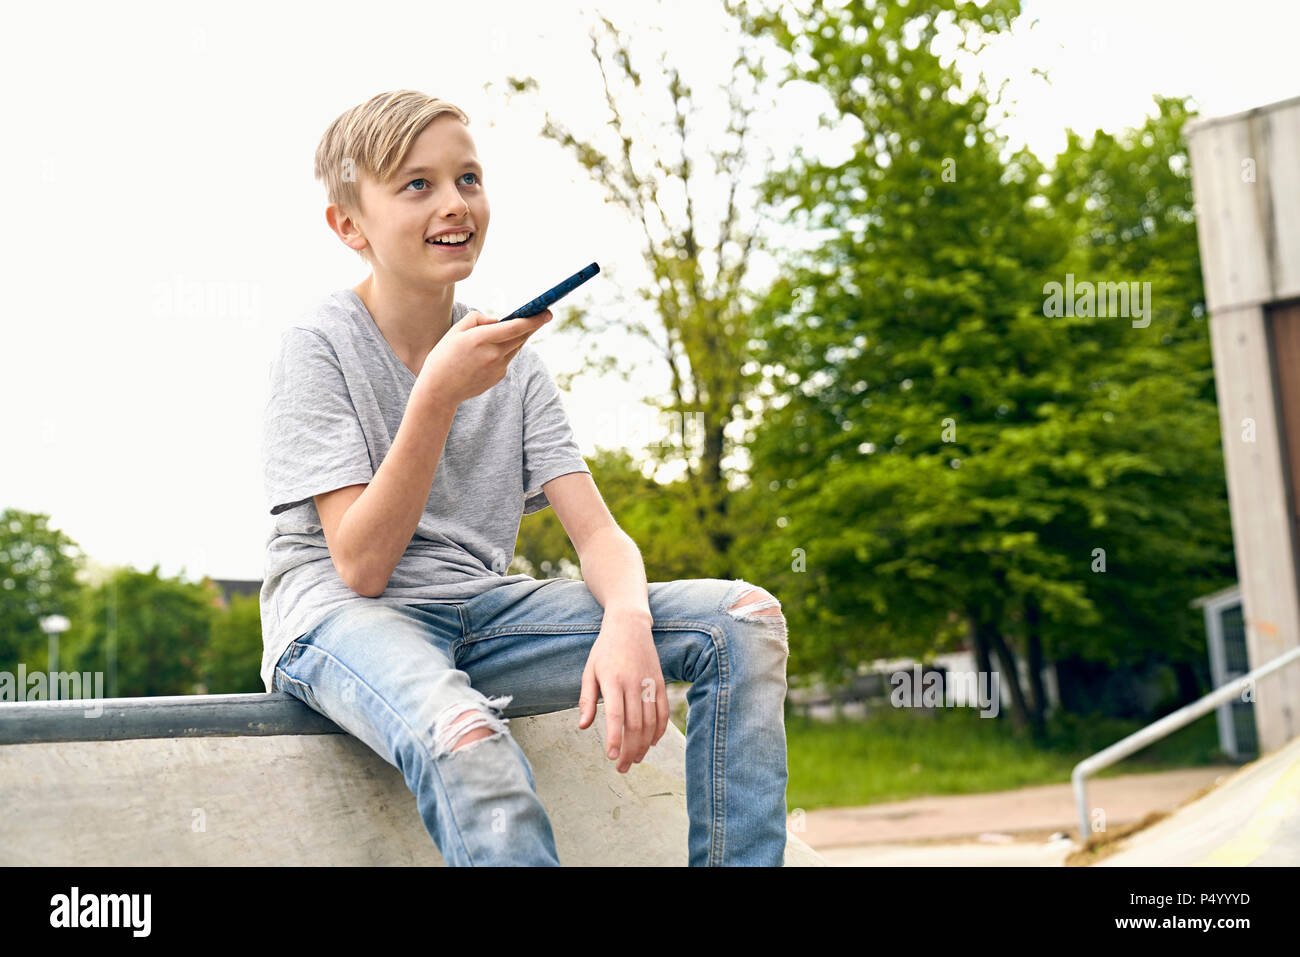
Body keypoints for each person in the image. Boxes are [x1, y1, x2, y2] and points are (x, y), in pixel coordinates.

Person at [258, 89, 790, 866]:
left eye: (467, 178)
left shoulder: (515, 365)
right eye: (418, 184)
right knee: (470, 738)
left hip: (482, 612)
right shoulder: (317, 346)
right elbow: (361, 566)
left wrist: (627, 621)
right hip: (342, 619)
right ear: (350, 226)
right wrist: (437, 394)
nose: (455, 203)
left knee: (744, 620)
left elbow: (599, 533)